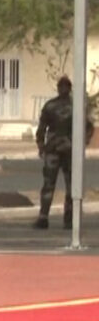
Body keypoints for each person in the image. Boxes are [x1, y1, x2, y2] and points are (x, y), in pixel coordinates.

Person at [34, 75, 94, 229]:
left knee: (68, 186)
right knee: (53, 185)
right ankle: (45, 217)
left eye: (64, 86)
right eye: (62, 86)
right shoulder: (58, 106)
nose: (63, 89)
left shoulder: (72, 106)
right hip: (59, 150)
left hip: (66, 151)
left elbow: (88, 127)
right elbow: (41, 129)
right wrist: (41, 145)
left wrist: (82, 143)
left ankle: (64, 218)